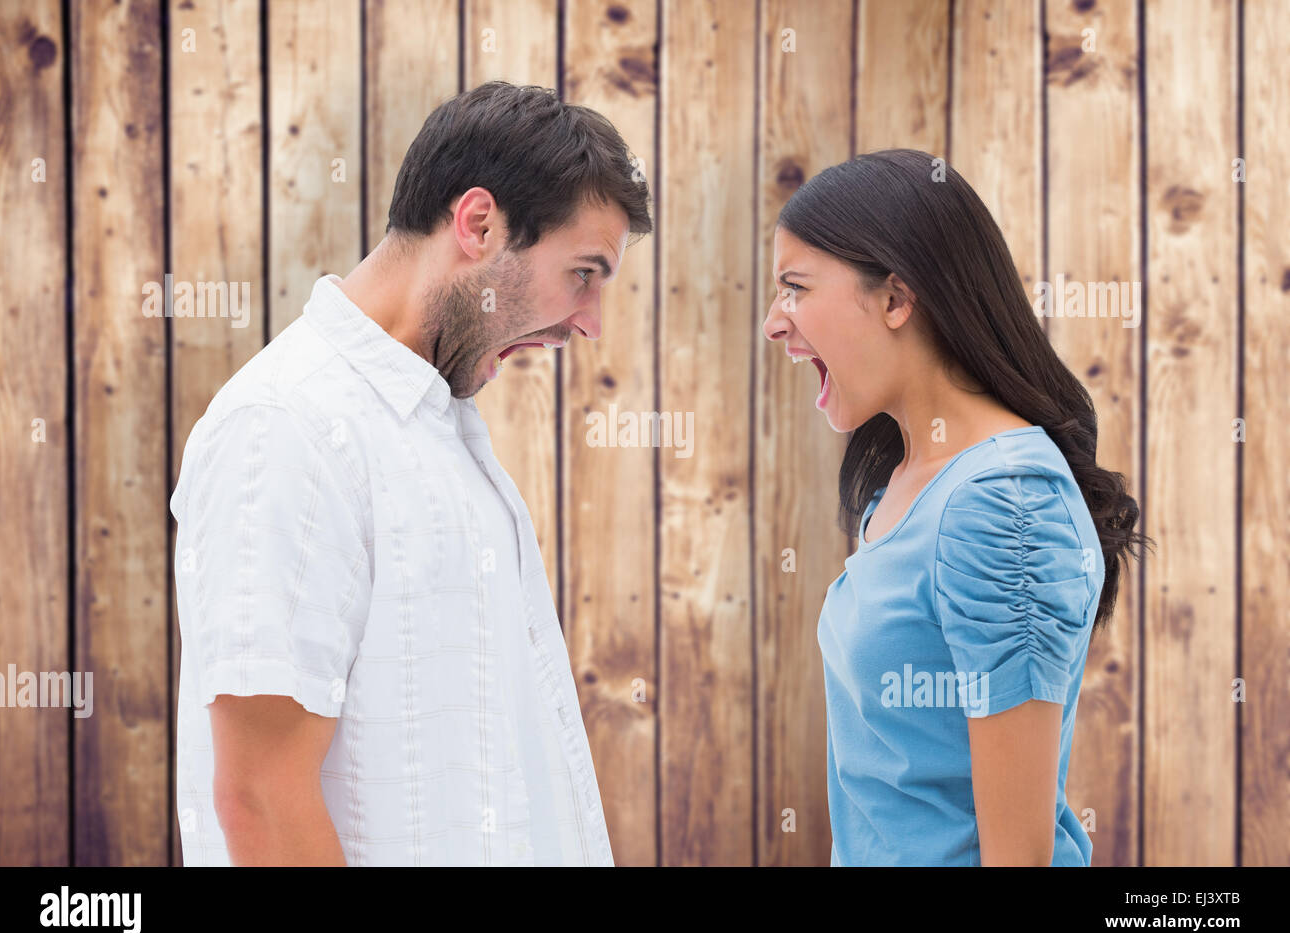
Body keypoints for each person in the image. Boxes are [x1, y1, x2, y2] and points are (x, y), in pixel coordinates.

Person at [171, 81, 651, 865]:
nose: (590, 323)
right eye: (583, 273)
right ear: (478, 225)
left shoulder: (433, 426)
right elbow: (260, 797)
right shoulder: (287, 428)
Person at [761, 149, 1152, 866]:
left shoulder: (1003, 503)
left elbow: (1017, 858)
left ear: (895, 299)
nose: (773, 323)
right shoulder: (907, 481)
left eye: (795, 288)